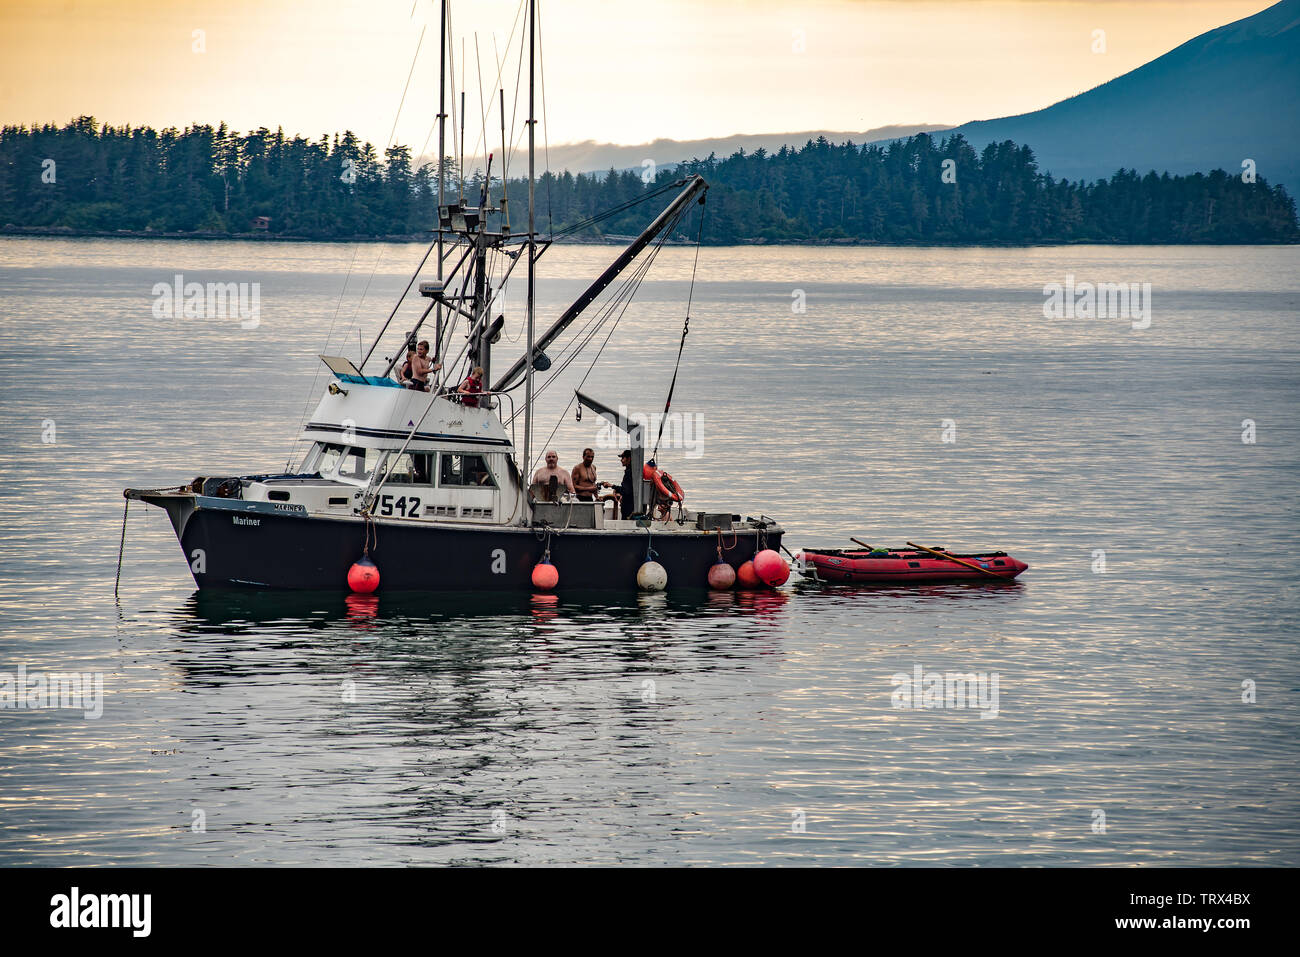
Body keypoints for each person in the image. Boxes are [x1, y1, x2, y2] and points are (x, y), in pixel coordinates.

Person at [617, 449, 635, 519]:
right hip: (630, 506)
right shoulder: (631, 471)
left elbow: (626, 491)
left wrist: (612, 486)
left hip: (628, 508)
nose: (621, 460)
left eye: (623, 458)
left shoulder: (629, 473)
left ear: (629, 459)